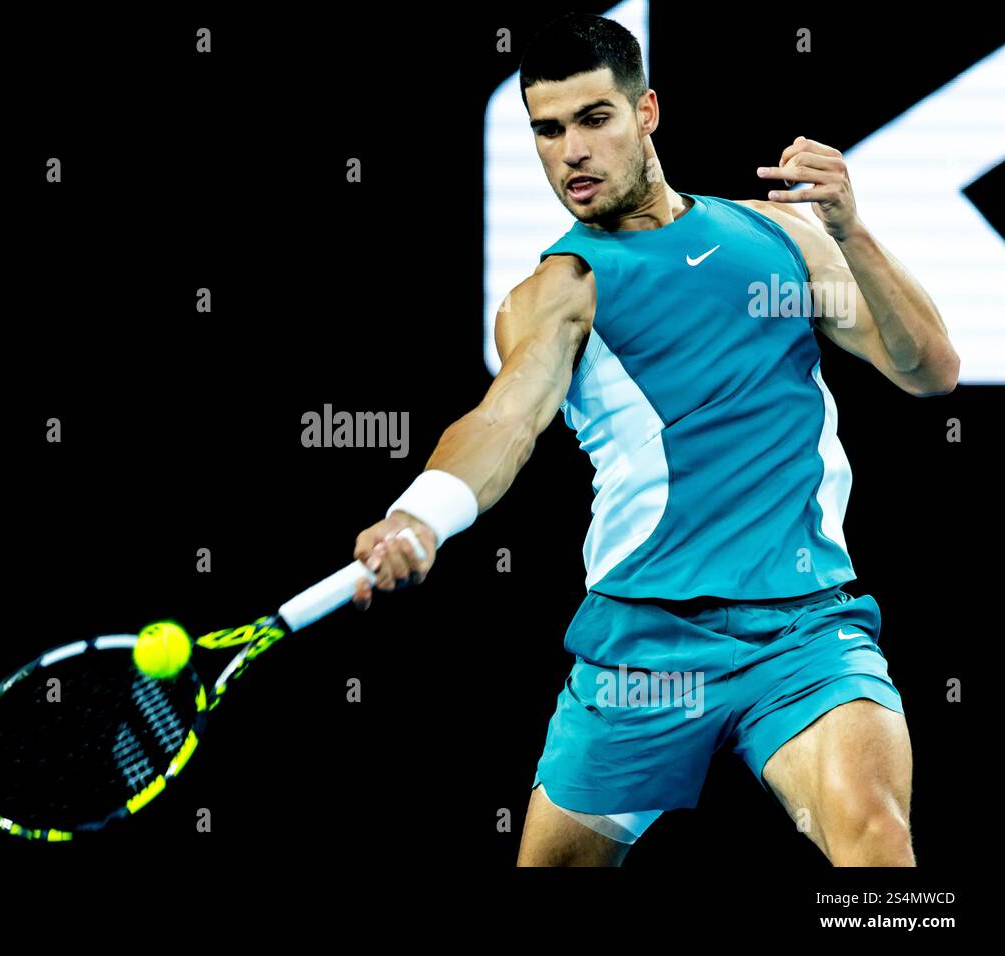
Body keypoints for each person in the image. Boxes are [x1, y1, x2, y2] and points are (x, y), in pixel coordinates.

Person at [351, 11, 957, 866]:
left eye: (593, 120)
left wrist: (852, 231)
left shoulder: (778, 235)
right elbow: (504, 420)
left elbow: (928, 369)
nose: (571, 152)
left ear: (647, 114)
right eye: (548, 130)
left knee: (878, 843)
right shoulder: (559, 294)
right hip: (642, 649)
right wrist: (421, 514)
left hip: (805, 631)